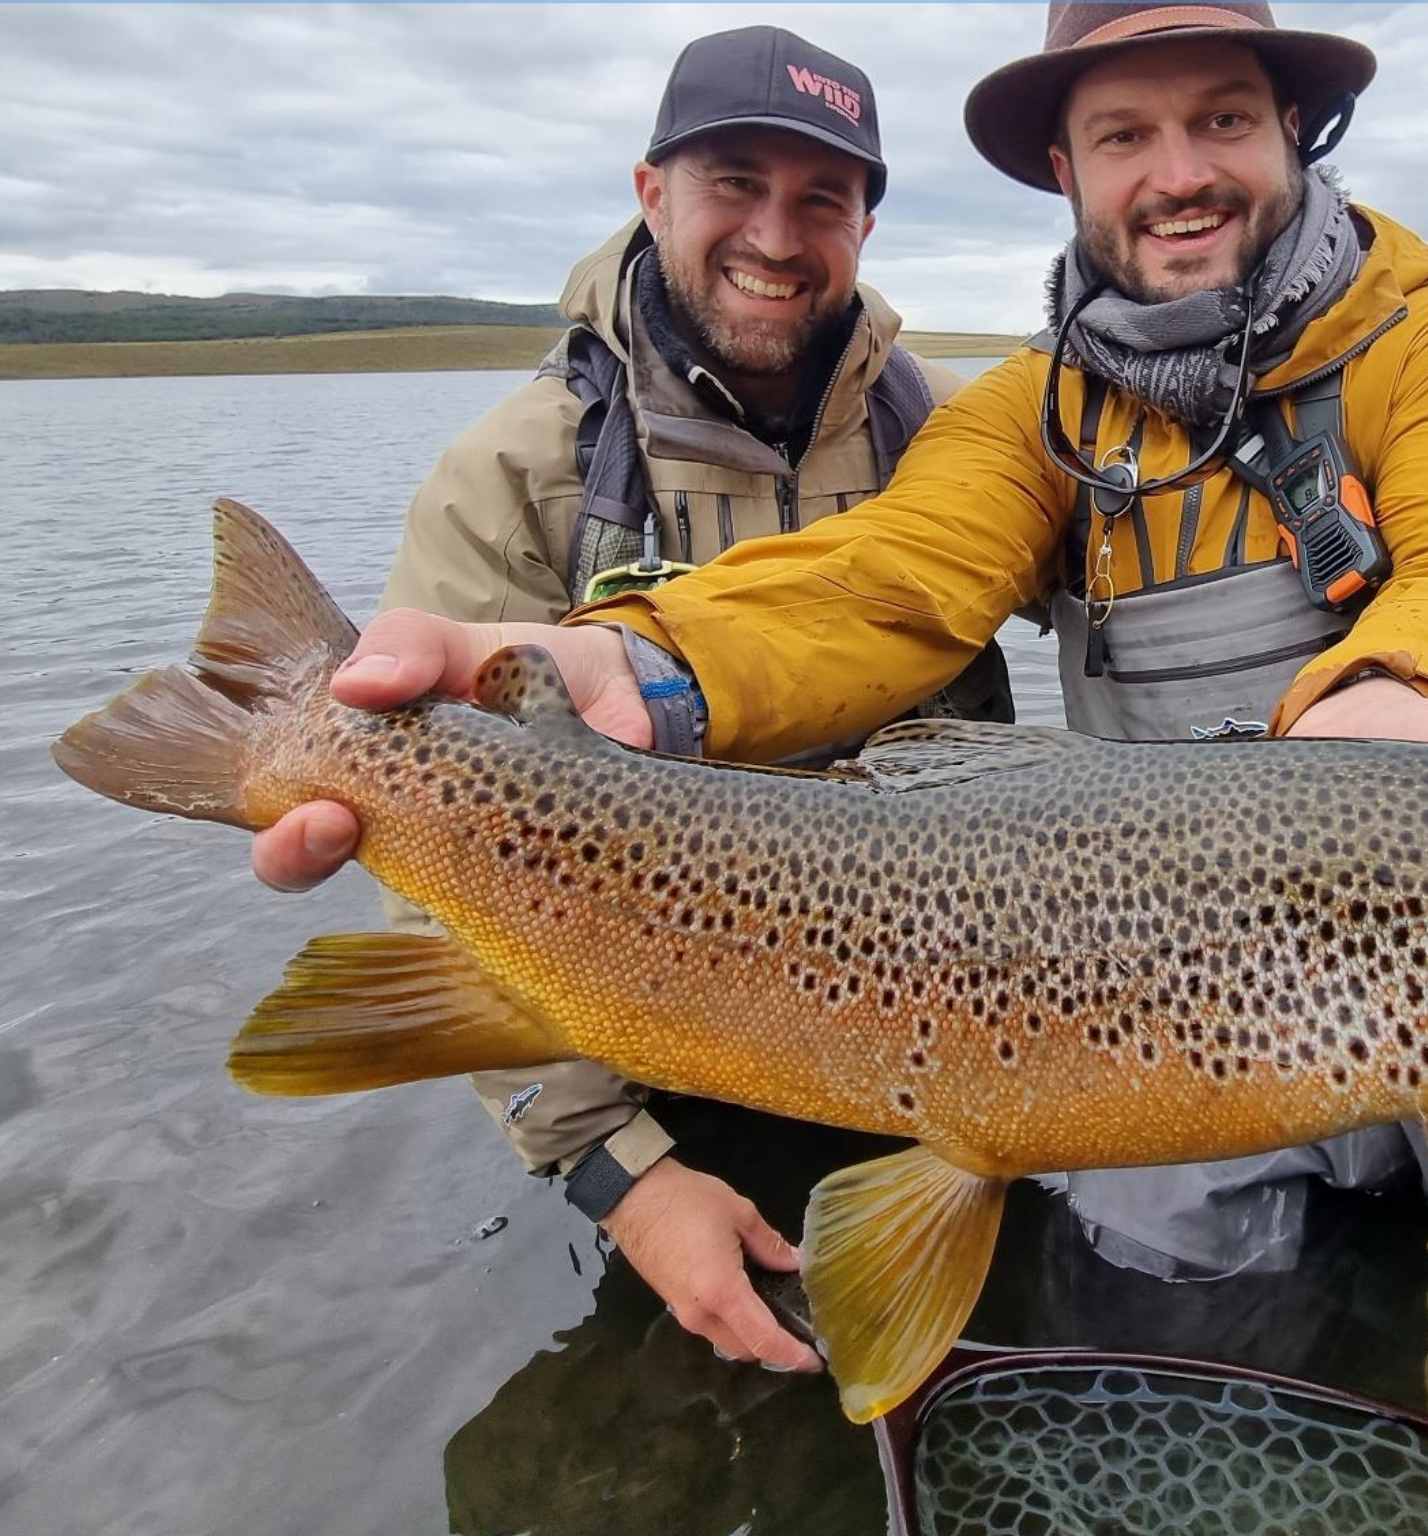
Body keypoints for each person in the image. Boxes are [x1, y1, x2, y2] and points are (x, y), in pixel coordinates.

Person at [258, 3, 1428, 1358]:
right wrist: (639, 663)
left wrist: (1408, 702)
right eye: (1123, 133)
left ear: (1294, 132)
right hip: (1140, 1020)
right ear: (1065, 173)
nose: (1179, 169)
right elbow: (890, 580)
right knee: (1162, 1344)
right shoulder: (1031, 417)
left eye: (1223, 119)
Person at [328, 25, 1004, 1375]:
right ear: (651, 194)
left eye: (823, 197)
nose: (776, 231)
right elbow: (437, 864)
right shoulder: (520, 473)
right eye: (733, 183)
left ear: (867, 223)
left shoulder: (941, 443)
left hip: (964, 1036)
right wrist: (615, 1174)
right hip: (661, 1067)